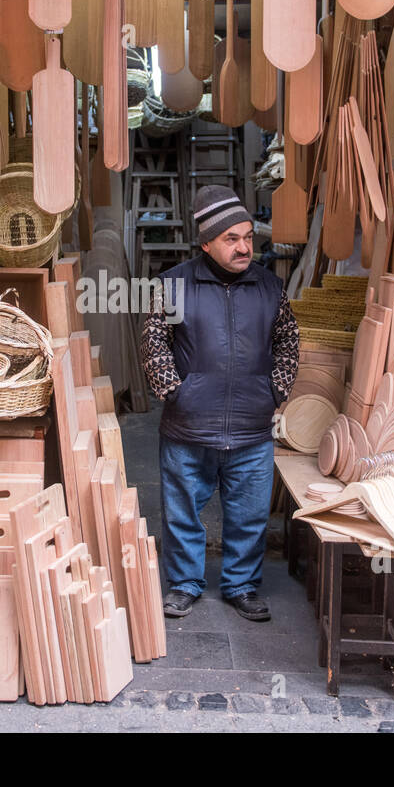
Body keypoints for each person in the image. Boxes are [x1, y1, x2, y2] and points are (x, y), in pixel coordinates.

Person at [140, 185, 299, 621]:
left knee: (248, 516)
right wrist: (175, 391)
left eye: (248, 236)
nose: (244, 247)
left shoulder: (269, 287)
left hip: (251, 426)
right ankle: (185, 584)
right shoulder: (173, 285)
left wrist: (276, 390)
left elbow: (288, 341)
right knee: (182, 513)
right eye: (231, 239)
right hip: (188, 425)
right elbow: (154, 342)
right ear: (206, 242)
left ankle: (242, 585)